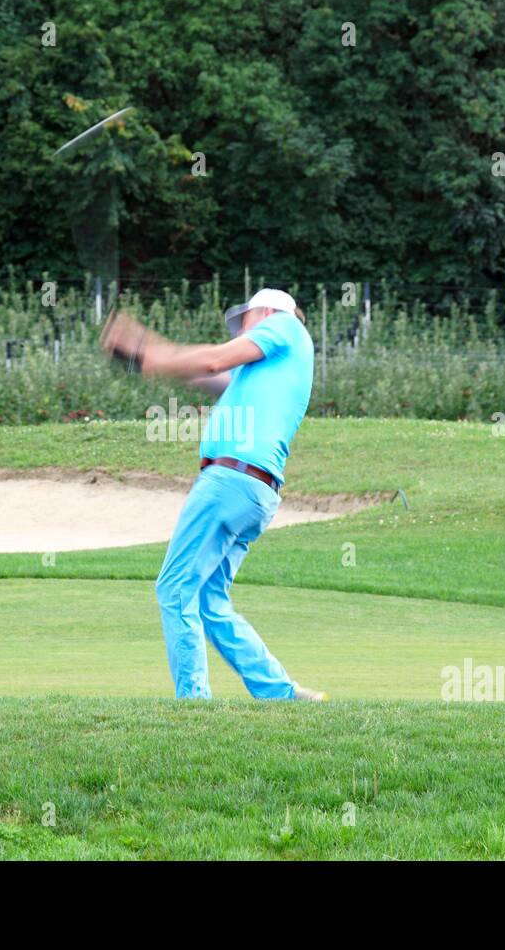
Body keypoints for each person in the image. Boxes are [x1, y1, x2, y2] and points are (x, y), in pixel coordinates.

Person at [100, 288, 326, 701]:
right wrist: (145, 355)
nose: (240, 328)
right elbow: (208, 373)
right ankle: (280, 693)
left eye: (245, 319)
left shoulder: (285, 325)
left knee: (174, 587)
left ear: (267, 311)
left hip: (230, 482)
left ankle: (193, 704)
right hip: (253, 491)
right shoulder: (265, 368)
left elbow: (212, 358)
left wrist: (148, 352)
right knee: (208, 600)